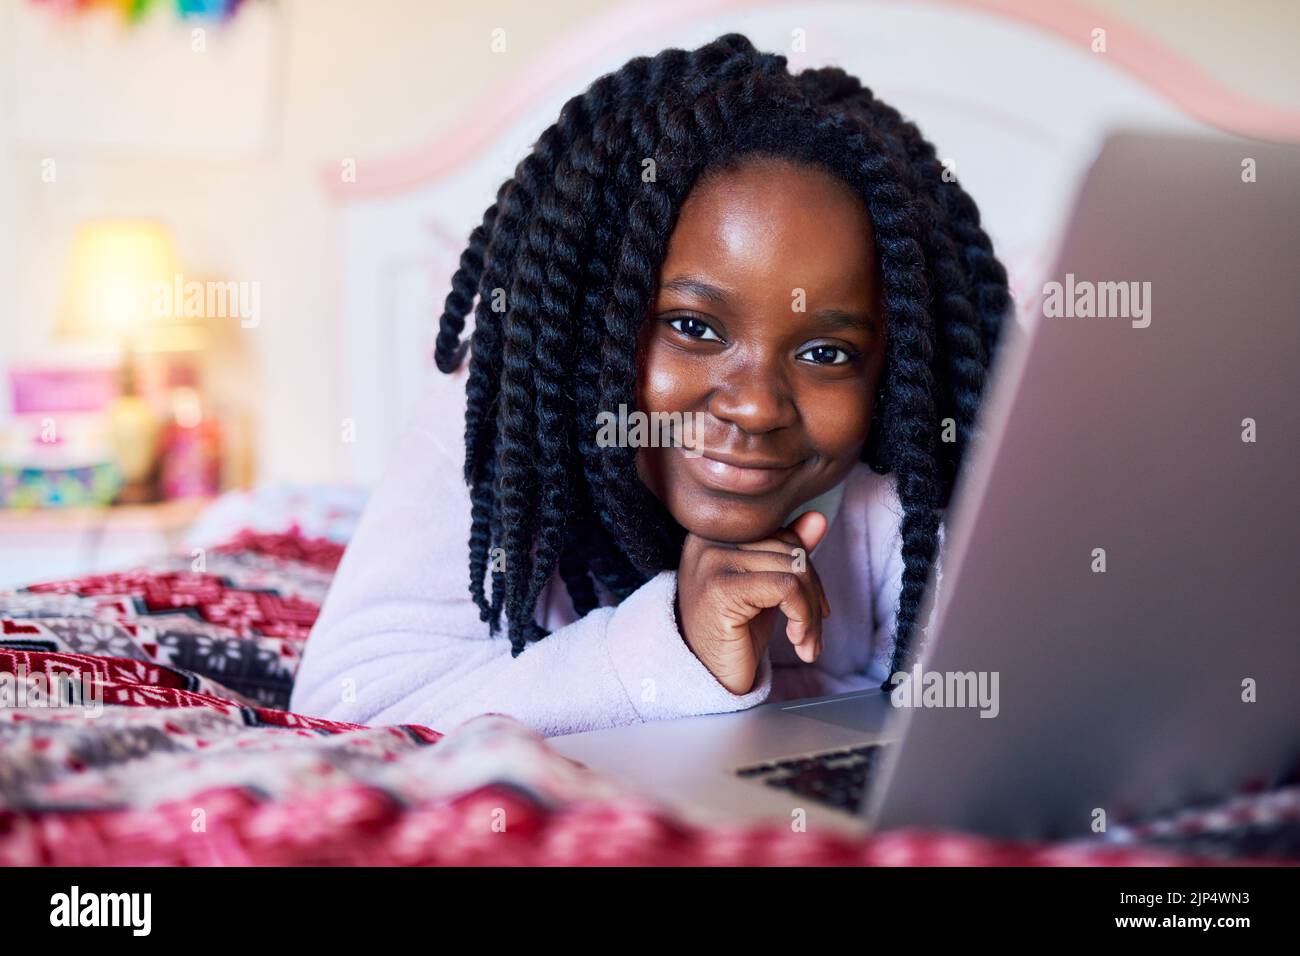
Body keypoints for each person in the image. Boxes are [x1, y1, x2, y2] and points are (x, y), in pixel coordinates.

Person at [290, 33, 1010, 737]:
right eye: (694, 328)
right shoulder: (499, 420)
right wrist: (679, 644)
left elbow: (985, 709)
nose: (756, 406)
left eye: (826, 351)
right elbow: (347, 706)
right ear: (586, 321)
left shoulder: (902, 475)